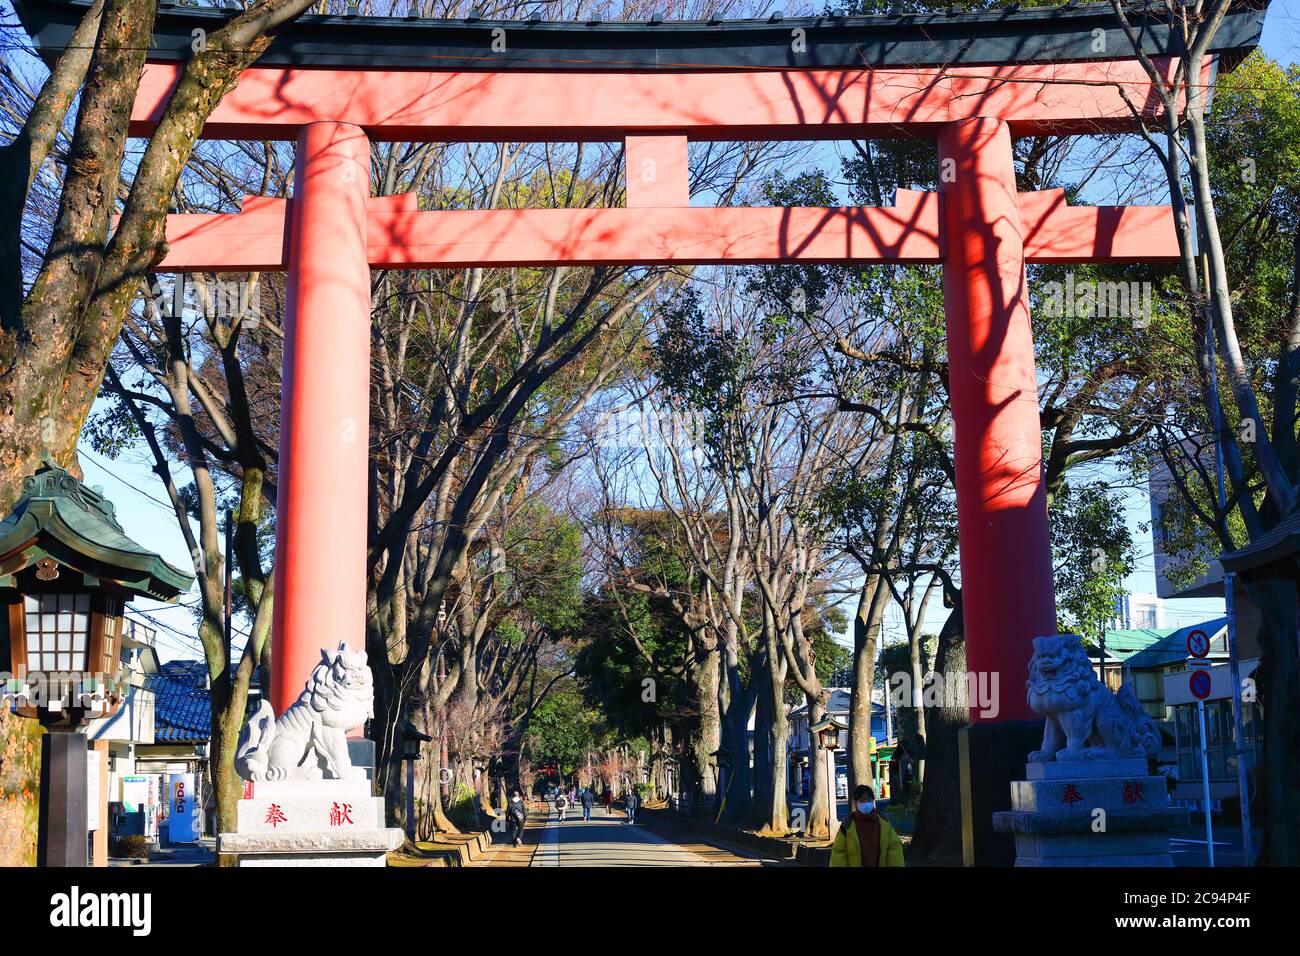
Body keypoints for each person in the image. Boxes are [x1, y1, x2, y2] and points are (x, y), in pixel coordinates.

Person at [829, 785, 904, 868]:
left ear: (873, 801)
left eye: (869, 800)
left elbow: (894, 850)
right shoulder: (847, 826)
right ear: (855, 803)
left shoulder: (884, 824)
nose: (866, 803)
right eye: (862, 800)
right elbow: (839, 853)